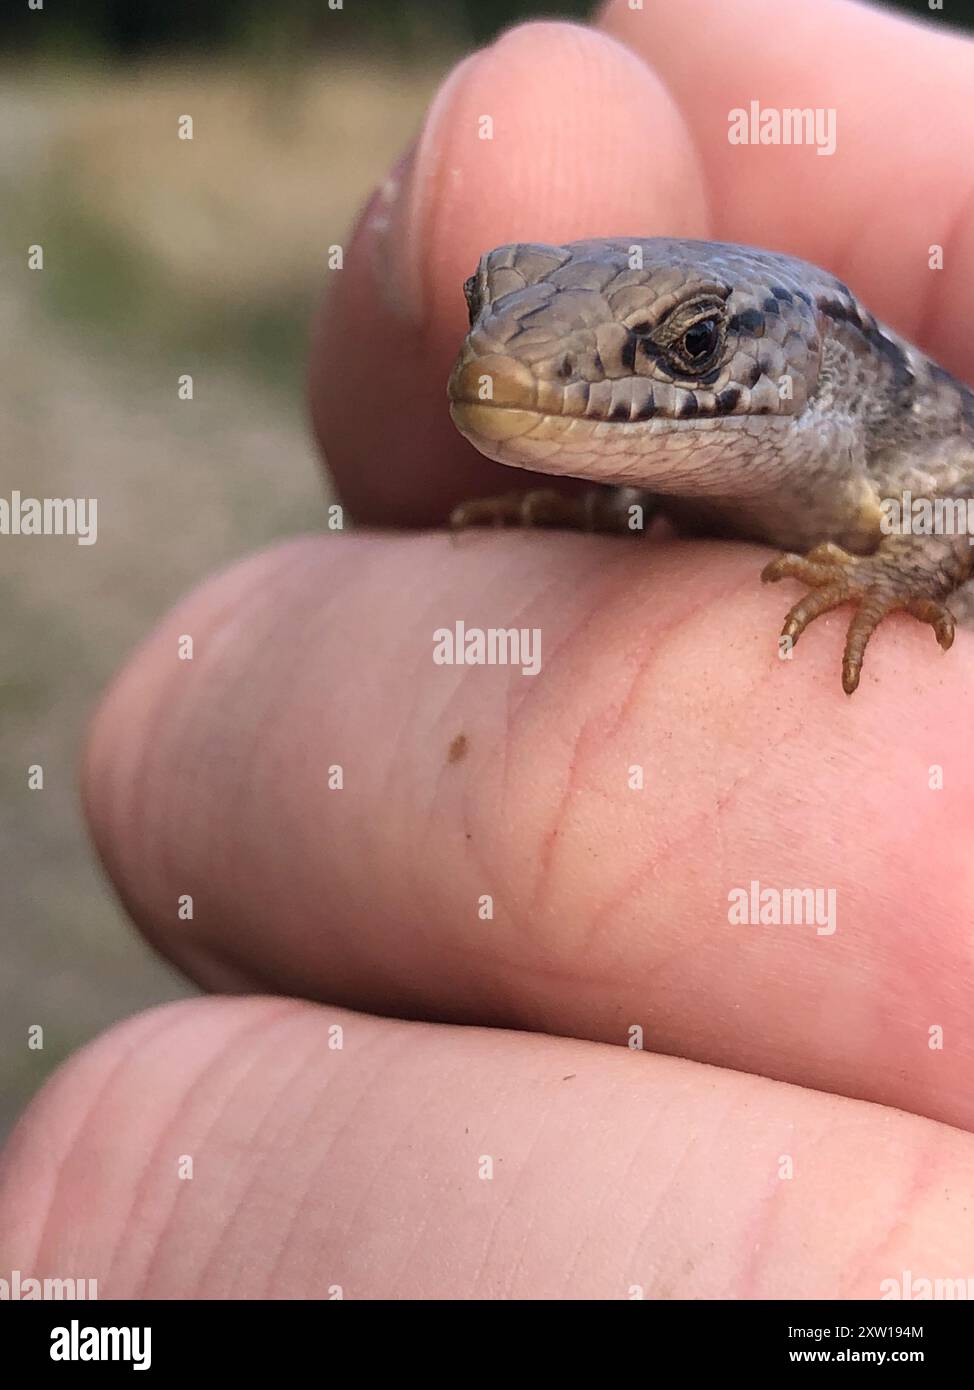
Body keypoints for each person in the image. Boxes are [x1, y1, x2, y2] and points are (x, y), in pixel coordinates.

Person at [3, 0, 974, 1298]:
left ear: (819, 365)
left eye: (686, 347)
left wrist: (912, 565)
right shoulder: (670, 448)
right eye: (493, 302)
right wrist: (599, 497)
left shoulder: (918, 452)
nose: (502, 365)